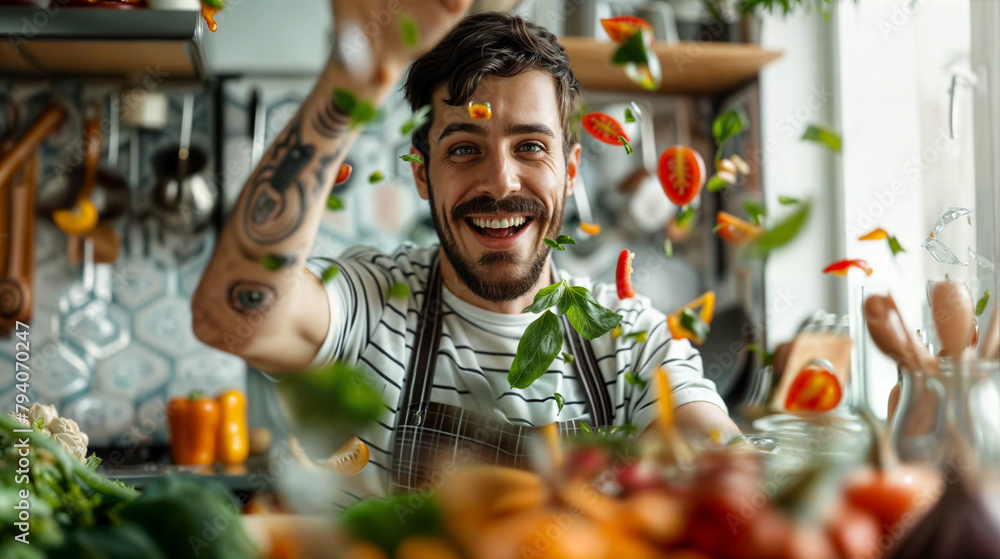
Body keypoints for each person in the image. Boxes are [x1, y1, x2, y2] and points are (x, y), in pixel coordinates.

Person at [192, 0, 737, 504]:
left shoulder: (630, 340)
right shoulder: (369, 304)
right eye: (464, 148)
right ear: (422, 173)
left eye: (529, 146)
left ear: (570, 172)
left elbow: (727, 476)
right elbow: (229, 314)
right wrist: (351, 76)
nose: (500, 182)